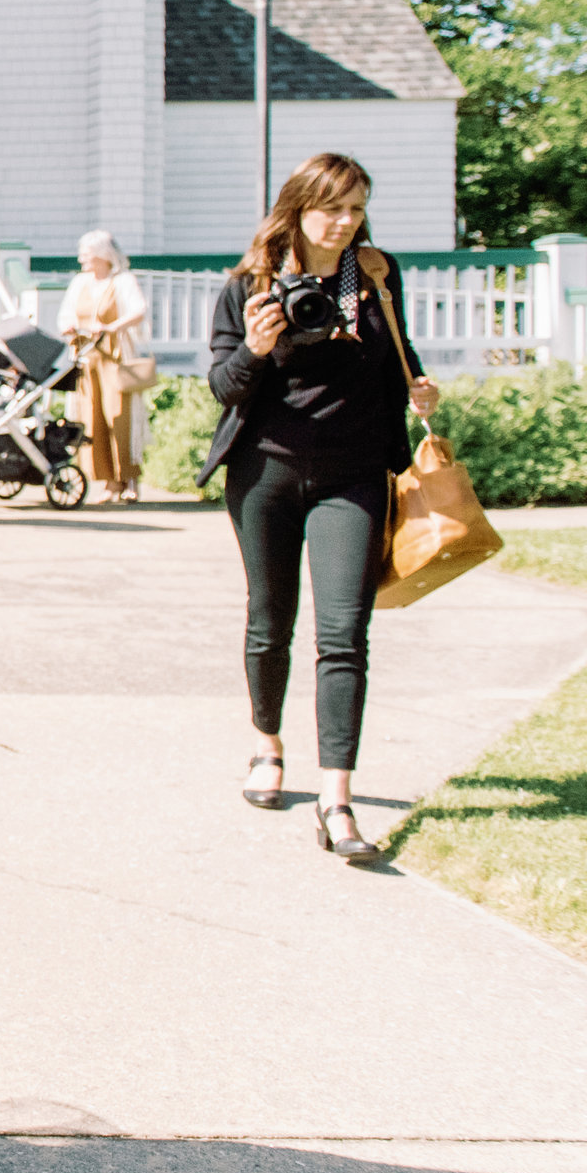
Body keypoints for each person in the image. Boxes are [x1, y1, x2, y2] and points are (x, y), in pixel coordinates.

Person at [200, 152, 439, 865]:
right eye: (333, 208)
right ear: (298, 208)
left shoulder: (375, 274)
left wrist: (420, 386)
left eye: (358, 208)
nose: (346, 222)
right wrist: (255, 346)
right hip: (265, 471)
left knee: (344, 633)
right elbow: (222, 386)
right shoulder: (248, 283)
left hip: (355, 476)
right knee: (270, 623)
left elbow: (401, 356)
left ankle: (338, 798)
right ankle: (267, 747)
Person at [58, 229, 150, 503]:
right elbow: (65, 314)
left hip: (116, 357)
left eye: (86, 253)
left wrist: (110, 327)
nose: (81, 258)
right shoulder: (80, 283)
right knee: (92, 419)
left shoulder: (122, 281)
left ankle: (129, 479)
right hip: (88, 357)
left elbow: (139, 310)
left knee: (120, 417)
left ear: (101, 254)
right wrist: (69, 327)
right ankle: (109, 483)